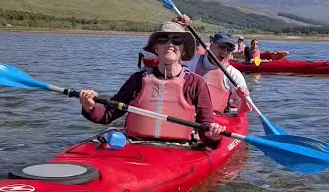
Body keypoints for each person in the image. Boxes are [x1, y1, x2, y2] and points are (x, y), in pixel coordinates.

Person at [78, 22, 225, 145]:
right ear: (155, 48)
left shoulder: (196, 83)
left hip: (178, 150)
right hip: (136, 146)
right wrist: (90, 107)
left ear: (183, 49)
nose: (170, 44)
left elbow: (206, 129)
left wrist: (213, 134)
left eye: (177, 40)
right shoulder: (137, 79)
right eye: (162, 39)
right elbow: (108, 114)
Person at [186, 31, 252, 114]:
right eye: (222, 47)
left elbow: (246, 109)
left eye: (229, 49)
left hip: (216, 119)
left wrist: (243, 98)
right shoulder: (191, 61)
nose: (225, 52)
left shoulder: (233, 74)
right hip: (188, 115)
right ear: (211, 45)